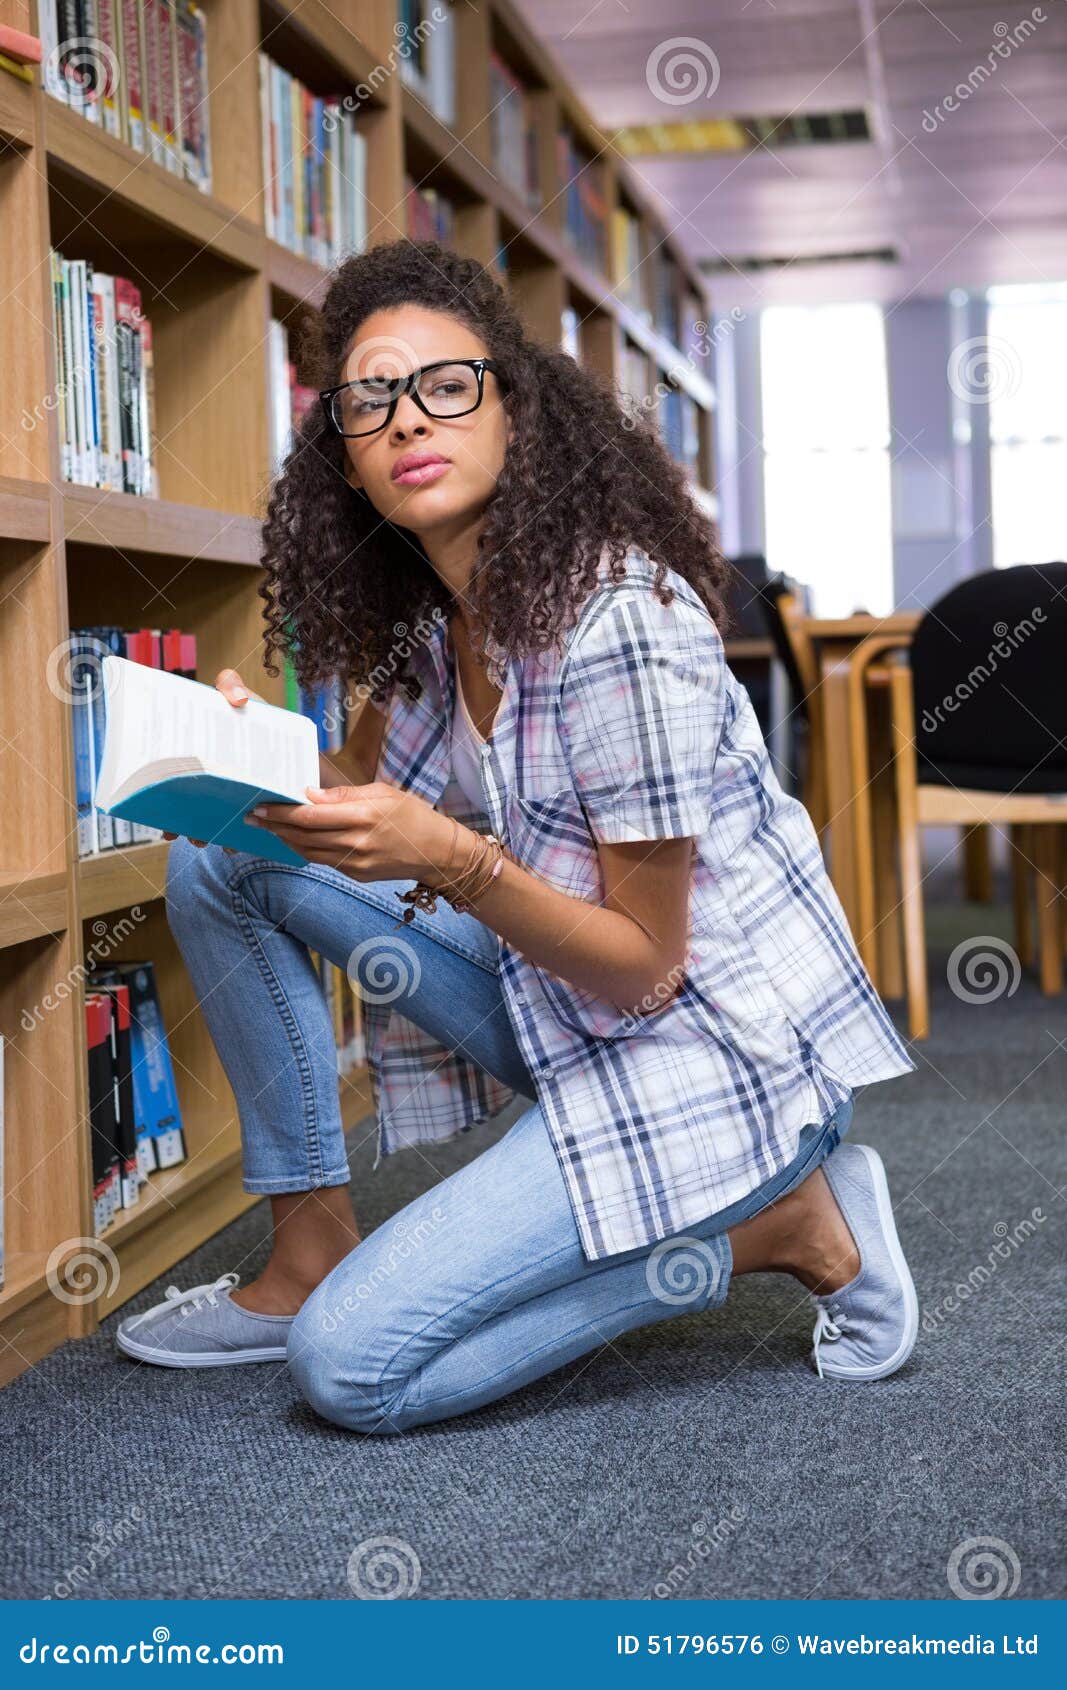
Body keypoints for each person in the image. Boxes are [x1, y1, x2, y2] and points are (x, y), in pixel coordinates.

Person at [115, 240, 918, 1428]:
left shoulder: (618, 620)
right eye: (367, 400)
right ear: (341, 454)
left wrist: (449, 857)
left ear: (515, 407)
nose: (404, 420)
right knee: (223, 855)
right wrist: (249, 756)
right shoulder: (442, 626)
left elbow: (648, 968)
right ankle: (307, 1255)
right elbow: (346, 800)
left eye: (445, 384)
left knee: (352, 1374)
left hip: (706, 1056)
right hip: (565, 1012)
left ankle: (787, 1222)